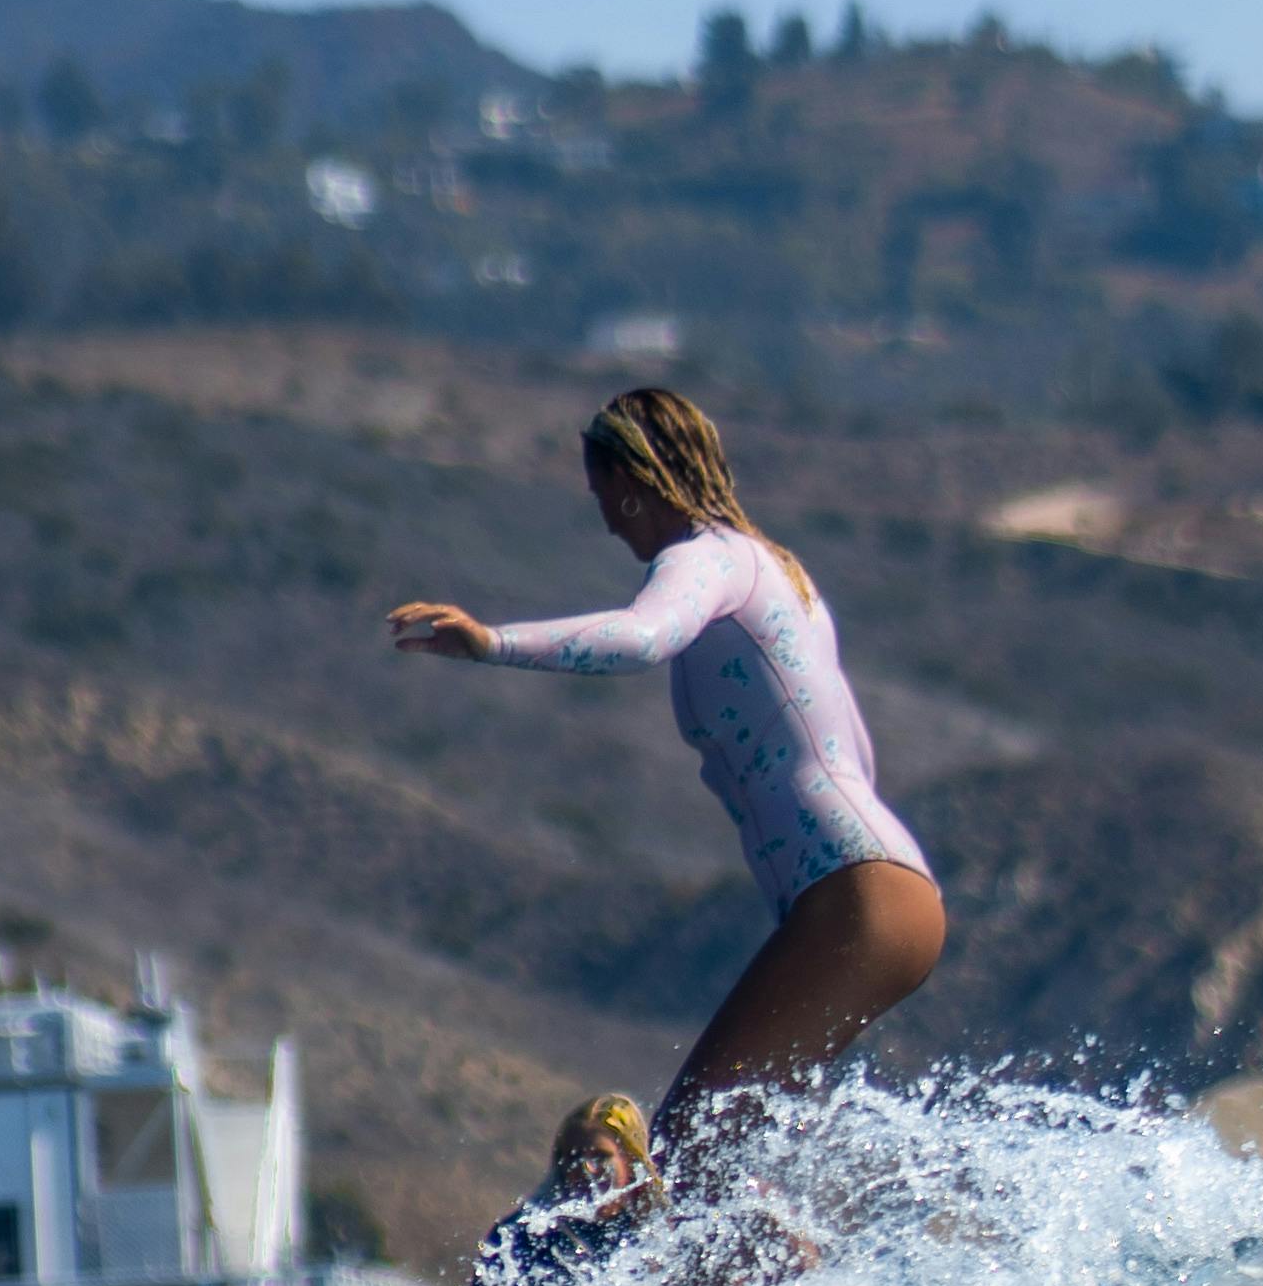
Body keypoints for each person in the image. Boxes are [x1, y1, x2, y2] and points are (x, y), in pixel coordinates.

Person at [388, 382, 946, 1171]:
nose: (607, 520)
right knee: (724, 1150)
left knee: (687, 1142)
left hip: (853, 898)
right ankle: (796, 1284)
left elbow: (644, 635)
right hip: (892, 888)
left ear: (635, 479)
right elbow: (853, 748)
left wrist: (492, 643)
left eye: (604, 495)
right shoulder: (781, 575)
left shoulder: (706, 560)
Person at [460, 1092, 666, 1286]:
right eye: (572, 1157)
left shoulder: (655, 1246)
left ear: (630, 1162)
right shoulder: (520, 1237)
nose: (586, 1169)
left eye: (600, 1157)